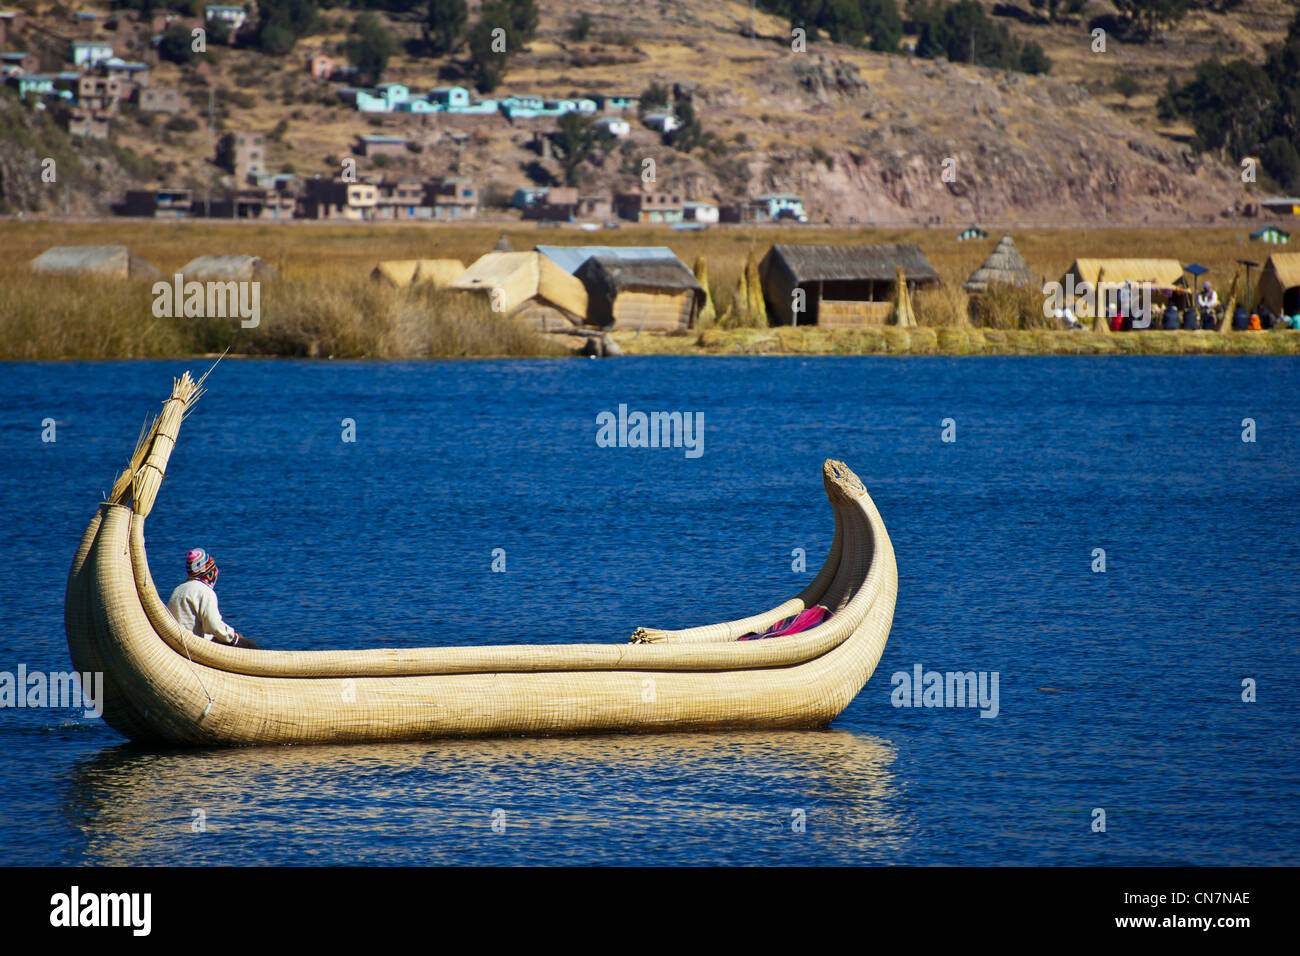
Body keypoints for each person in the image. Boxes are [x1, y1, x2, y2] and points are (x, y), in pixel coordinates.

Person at [167, 549, 258, 649]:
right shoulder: (205, 591)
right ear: (209, 571)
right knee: (250, 644)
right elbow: (212, 625)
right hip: (194, 646)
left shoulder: (178, 590)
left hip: (176, 642)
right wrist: (233, 637)